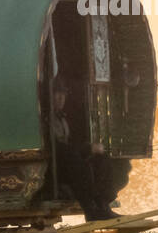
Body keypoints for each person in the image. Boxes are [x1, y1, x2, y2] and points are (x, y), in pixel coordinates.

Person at [50, 77, 123, 222]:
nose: (60, 98)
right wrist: (87, 148)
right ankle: (90, 210)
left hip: (67, 159)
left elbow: (69, 143)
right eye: (57, 94)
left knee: (102, 159)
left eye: (63, 95)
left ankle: (103, 205)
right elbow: (58, 147)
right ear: (50, 96)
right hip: (56, 166)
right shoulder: (47, 119)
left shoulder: (62, 119)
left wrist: (90, 149)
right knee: (77, 164)